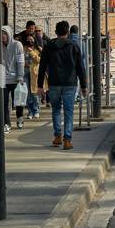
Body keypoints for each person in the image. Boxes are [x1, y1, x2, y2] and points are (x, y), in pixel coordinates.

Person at [38, 20, 86, 150]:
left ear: (55, 32)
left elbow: (42, 66)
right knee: (69, 111)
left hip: (53, 83)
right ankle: (67, 139)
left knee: (56, 110)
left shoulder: (49, 46)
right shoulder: (74, 46)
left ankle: (57, 136)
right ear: (68, 32)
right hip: (70, 83)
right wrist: (84, 85)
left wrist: (40, 85)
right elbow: (80, 67)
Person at [1, 25, 26, 132]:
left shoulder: (17, 45)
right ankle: (6, 123)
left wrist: (20, 76)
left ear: (9, 34)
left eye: (5, 33)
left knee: (18, 100)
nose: (2, 36)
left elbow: (20, 61)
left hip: (16, 78)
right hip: (2, 79)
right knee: (4, 102)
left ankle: (20, 117)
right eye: (1, 33)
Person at [20, 28, 42, 120]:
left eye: (31, 39)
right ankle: (30, 111)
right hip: (25, 71)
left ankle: (36, 110)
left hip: (34, 73)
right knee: (27, 93)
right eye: (28, 40)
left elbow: (39, 60)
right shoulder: (23, 48)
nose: (30, 41)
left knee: (34, 93)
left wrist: (31, 52)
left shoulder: (38, 49)